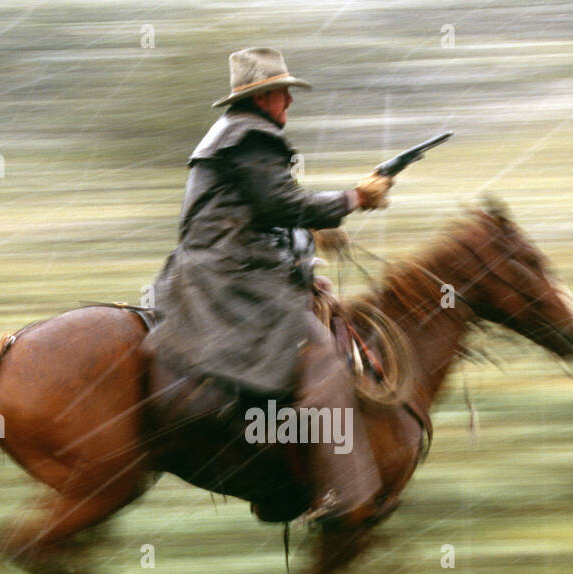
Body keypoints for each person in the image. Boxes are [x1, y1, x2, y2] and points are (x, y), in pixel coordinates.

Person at [144, 47, 392, 523]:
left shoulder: (231, 134)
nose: (289, 103)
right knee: (320, 356)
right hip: (235, 273)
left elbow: (260, 209)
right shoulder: (254, 136)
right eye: (282, 93)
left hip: (218, 265)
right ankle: (345, 497)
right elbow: (281, 204)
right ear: (260, 98)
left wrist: (314, 227)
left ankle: (278, 476)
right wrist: (355, 197)